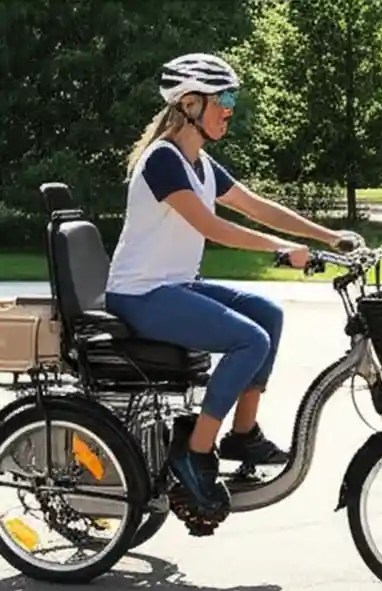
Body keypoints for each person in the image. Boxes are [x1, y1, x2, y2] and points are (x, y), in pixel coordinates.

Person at [104, 53, 365, 512]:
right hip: (140, 295)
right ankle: (195, 453)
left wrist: (330, 236)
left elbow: (256, 206)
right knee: (249, 339)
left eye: (232, 99)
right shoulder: (163, 160)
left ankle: (242, 435)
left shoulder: (200, 163)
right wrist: (280, 249)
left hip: (174, 287)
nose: (229, 109)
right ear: (189, 104)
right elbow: (210, 226)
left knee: (268, 314)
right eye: (222, 99)